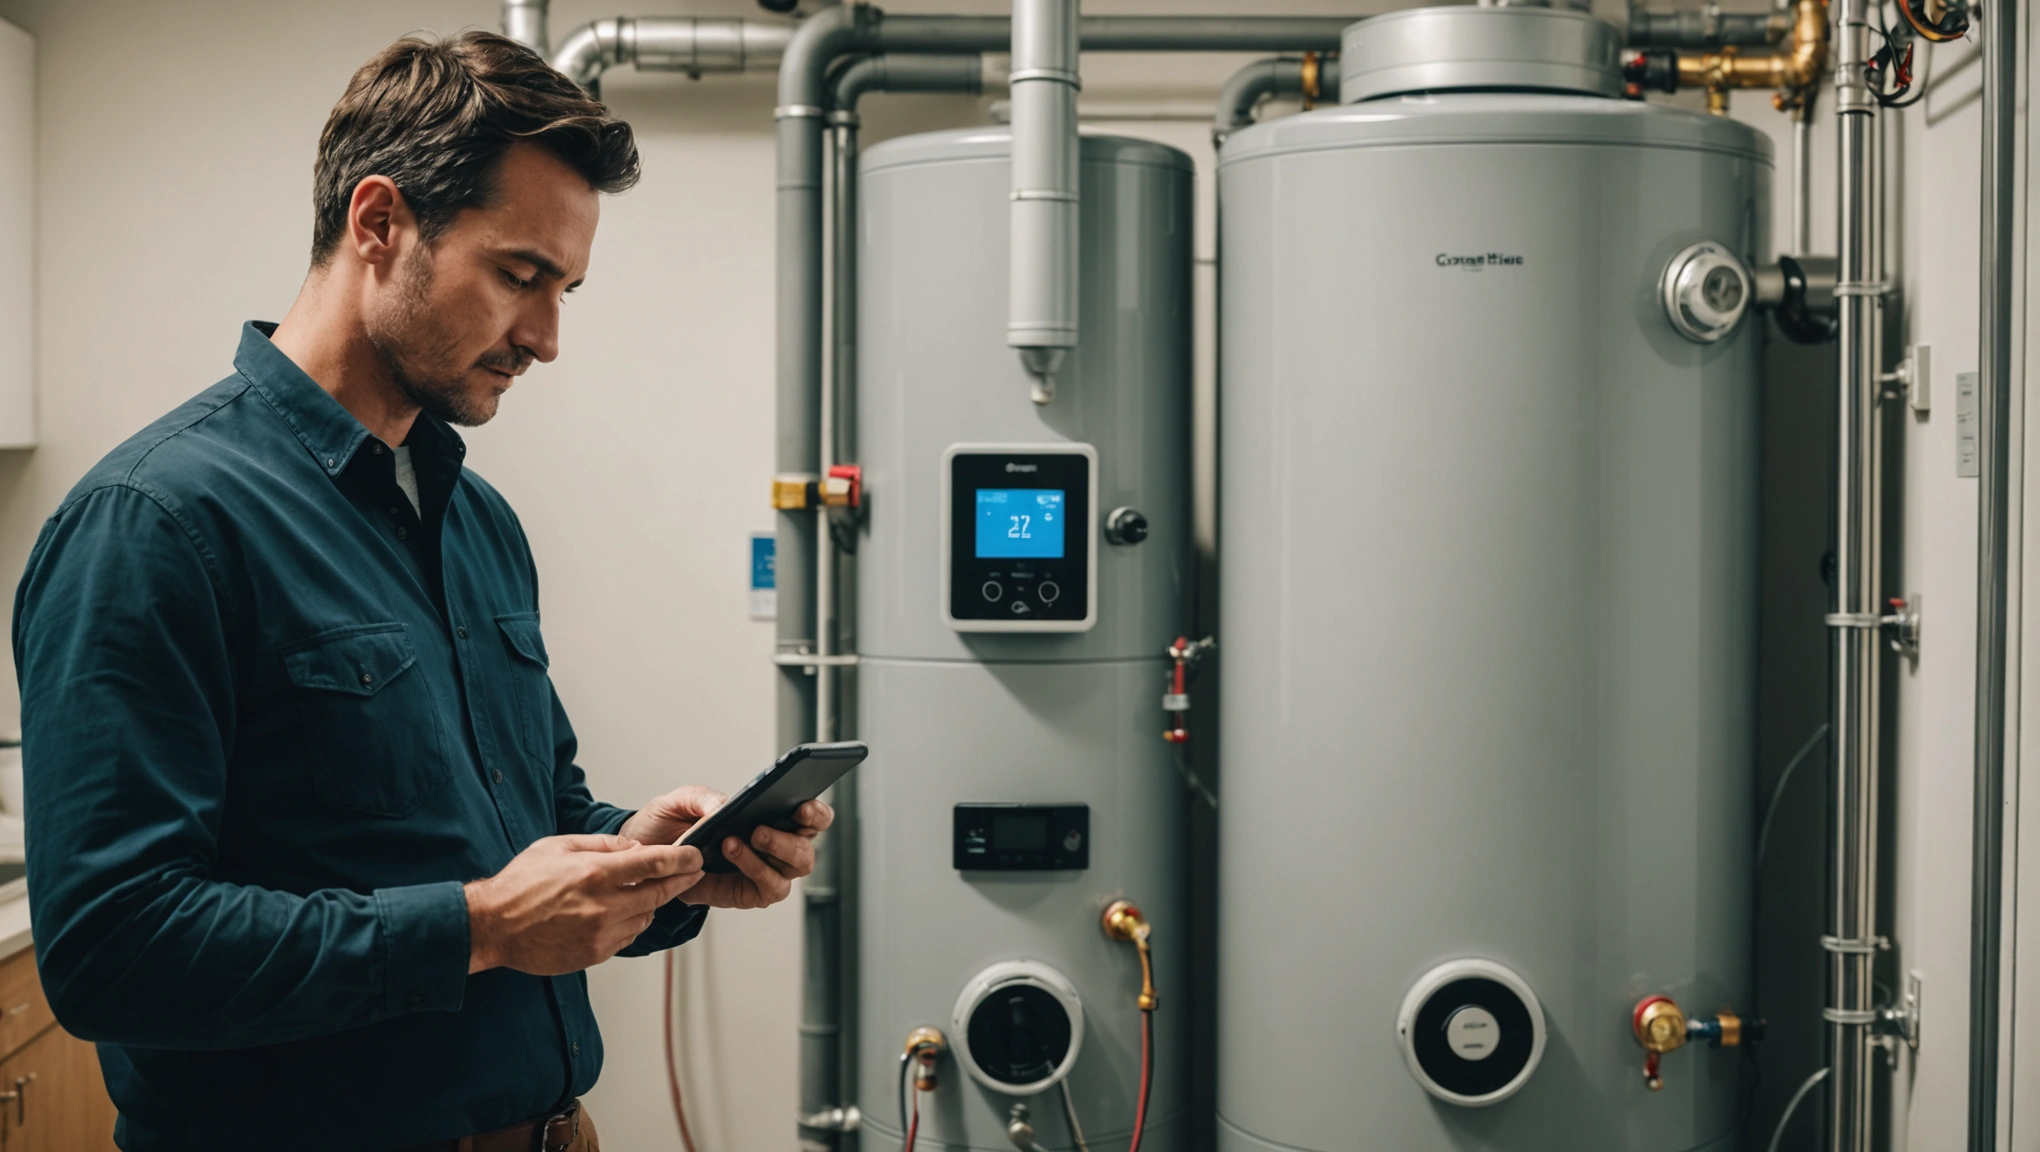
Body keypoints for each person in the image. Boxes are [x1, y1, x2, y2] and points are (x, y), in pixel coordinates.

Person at [9, 31, 825, 1152]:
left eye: (565, 290)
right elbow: (114, 953)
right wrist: (482, 928)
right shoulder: (155, 524)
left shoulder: (476, 519)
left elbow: (525, 819)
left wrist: (652, 863)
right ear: (379, 222)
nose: (545, 337)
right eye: (520, 276)